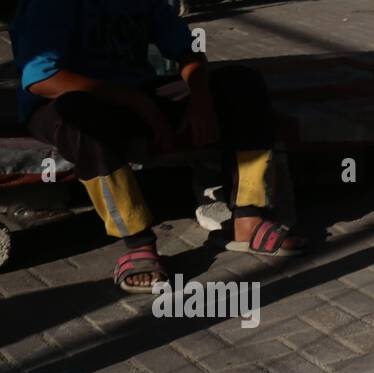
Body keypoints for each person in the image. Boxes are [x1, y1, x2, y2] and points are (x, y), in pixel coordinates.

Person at [9, 0, 305, 294]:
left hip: (138, 96)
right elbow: (41, 78)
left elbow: (188, 51)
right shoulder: (48, 5)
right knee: (82, 119)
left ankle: (248, 218)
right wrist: (140, 104)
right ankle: (138, 243)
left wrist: (200, 97)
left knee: (242, 82)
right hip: (63, 104)